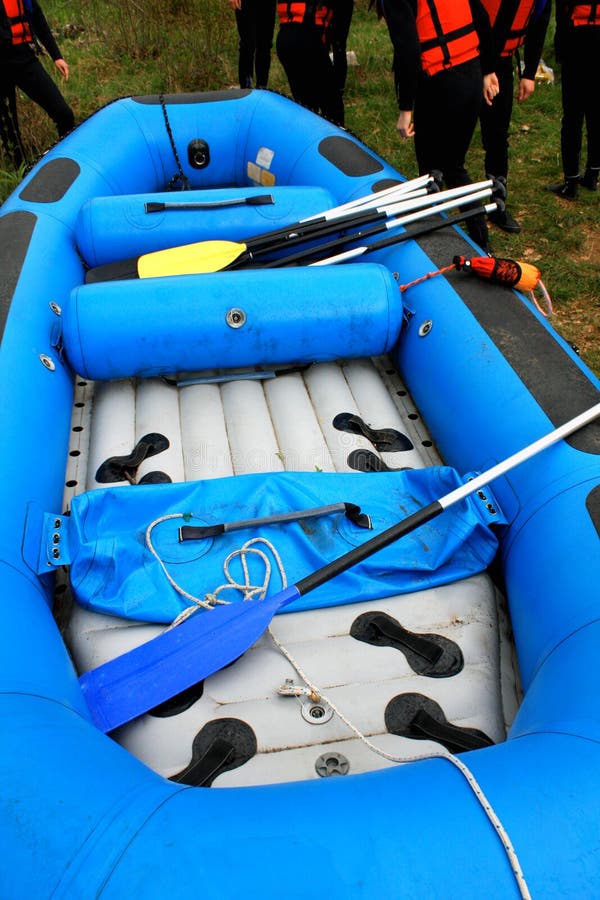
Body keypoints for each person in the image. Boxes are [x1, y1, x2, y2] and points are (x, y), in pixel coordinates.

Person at [374, 0, 499, 253]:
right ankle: (481, 240)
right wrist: (488, 70)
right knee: (455, 165)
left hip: (441, 83)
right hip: (471, 73)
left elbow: (408, 47)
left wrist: (406, 110)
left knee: (431, 172)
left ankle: (432, 243)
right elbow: (481, 17)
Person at [479, 0, 551, 233]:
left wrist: (529, 73)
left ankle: (497, 203)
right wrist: (485, 71)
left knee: (498, 136)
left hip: (502, 64)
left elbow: (539, 24)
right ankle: (438, 196)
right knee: (455, 130)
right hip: (469, 59)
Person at [0, 0, 73, 167]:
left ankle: (64, 163)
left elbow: (37, 17)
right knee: (10, 133)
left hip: (23, 57)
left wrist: (57, 56)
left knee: (64, 115)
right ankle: (21, 177)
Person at [547, 0, 599, 199]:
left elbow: (563, 9)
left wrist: (560, 49)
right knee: (596, 113)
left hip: (577, 40)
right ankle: (593, 175)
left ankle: (571, 182)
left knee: (573, 115)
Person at [276, 1, 344, 125]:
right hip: (306, 37)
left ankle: (305, 138)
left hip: (285, 39)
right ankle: (335, 142)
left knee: (306, 104)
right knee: (333, 105)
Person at [228, 0, 277, 89]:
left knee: (265, 44)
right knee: (247, 44)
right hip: (245, 3)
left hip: (268, 3)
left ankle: (262, 88)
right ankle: (246, 88)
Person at [328, 0, 354, 93]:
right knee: (335, 45)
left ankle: (339, 87)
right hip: (327, 6)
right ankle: (332, 84)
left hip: (342, 6)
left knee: (339, 45)